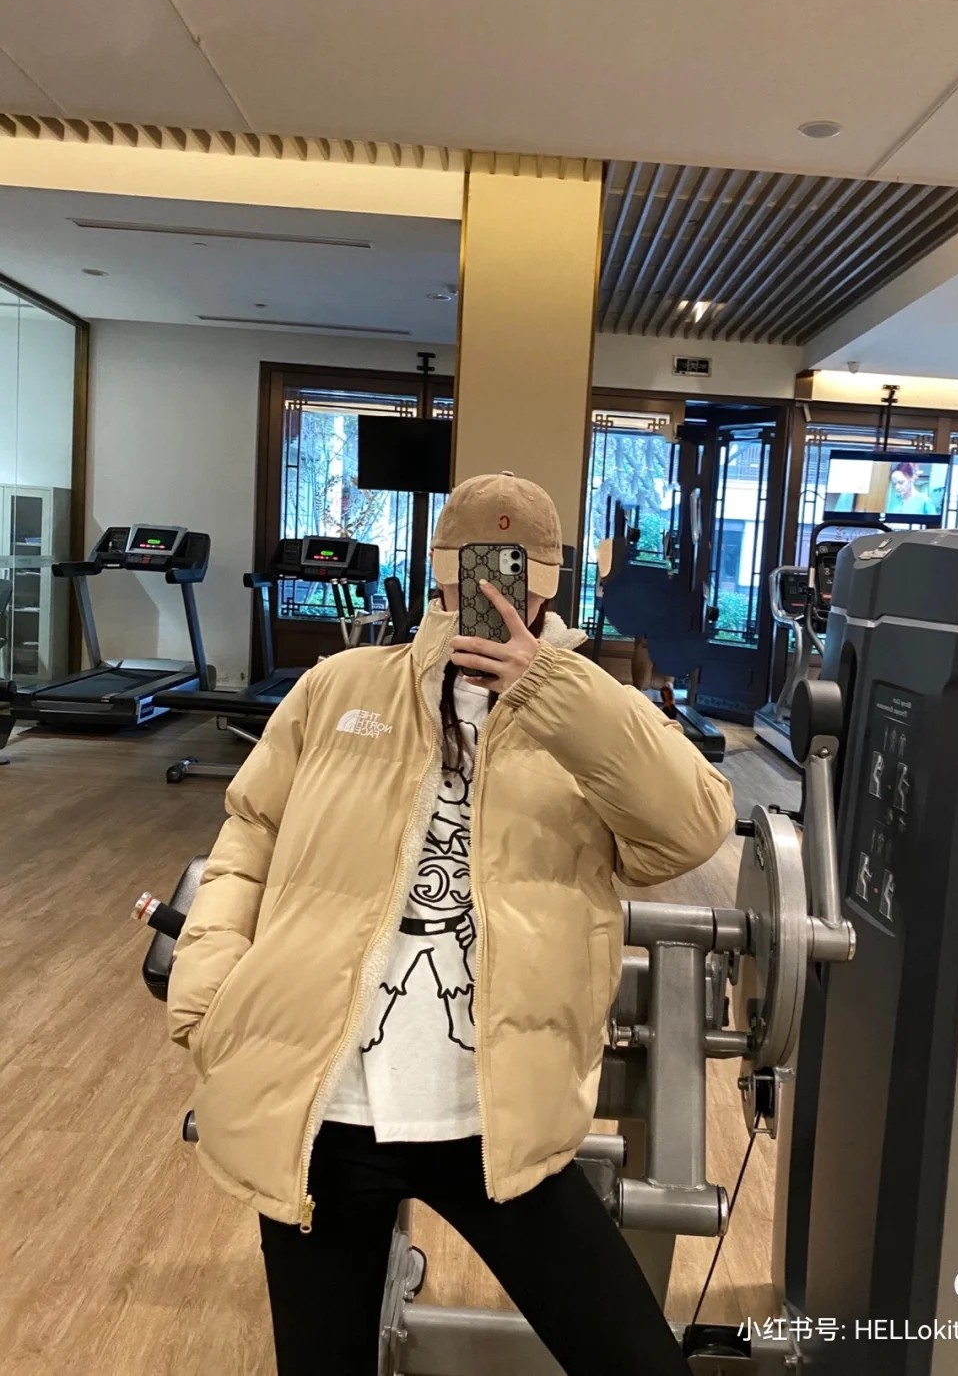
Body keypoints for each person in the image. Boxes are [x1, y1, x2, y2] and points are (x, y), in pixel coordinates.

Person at [167, 471, 736, 1376]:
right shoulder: (338, 688)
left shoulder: (591, 715)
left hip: (498, 1117)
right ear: (439, 572)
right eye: (475, 573)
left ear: (548, 584)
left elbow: (692, 829)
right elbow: (249, 837)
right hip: (327, 1113)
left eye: (517, 578)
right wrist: (207, 997)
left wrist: (559, 693)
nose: (496, 597)